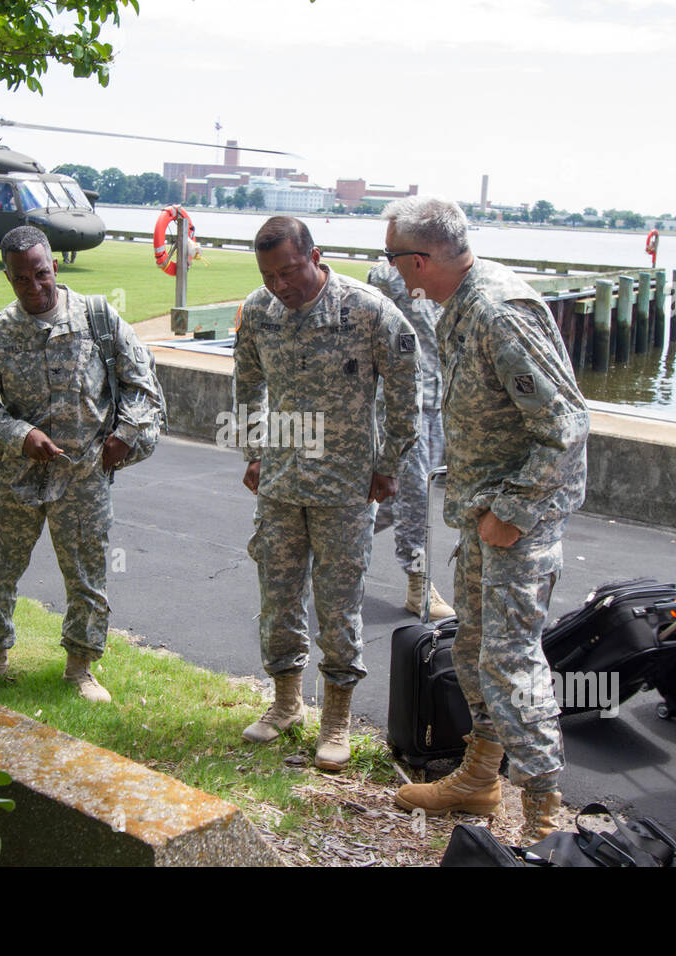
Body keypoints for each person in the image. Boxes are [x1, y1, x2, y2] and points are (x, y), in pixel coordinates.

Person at [381, 197, 589, 844]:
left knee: (509, 661)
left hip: (515, 520)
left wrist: (514, 510)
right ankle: (479, 776)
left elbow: (566, 425)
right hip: (482, 512)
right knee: (472, 651)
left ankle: (544, 818)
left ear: (418, 260)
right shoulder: (458, 302)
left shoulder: (497, 313)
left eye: (393, 259)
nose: (391, 272)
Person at [234, 216, 420, 770]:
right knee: (278, 597)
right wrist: (254, 450)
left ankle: (335, 718)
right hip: (281, 484)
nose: (280, 285)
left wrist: (388, 466)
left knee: (338, 606)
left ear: (315, 256)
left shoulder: (368, 311)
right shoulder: (259, 313)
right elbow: (246, 382)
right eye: (269, 274)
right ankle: (286, 703)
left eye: (288, 271)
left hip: (345, 486)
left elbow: (407, 395)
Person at [0, 225, 164, 701]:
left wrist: (125, 436)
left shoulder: (98, 318)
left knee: (87, 575)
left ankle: (80, 668)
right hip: (17, 478)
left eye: (41, 273)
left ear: (54, 266)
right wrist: (20, 434)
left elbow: (143, 382)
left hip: (84, 478)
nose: (35, 286)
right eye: (21, 279)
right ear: (8, 278)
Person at [367, 261, 454, 620]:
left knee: (389, 500)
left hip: (439, 401)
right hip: (402, 402)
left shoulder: (451, 279)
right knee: (416, 491)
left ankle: (330, 545)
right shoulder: (391, 277)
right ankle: (419, 581)